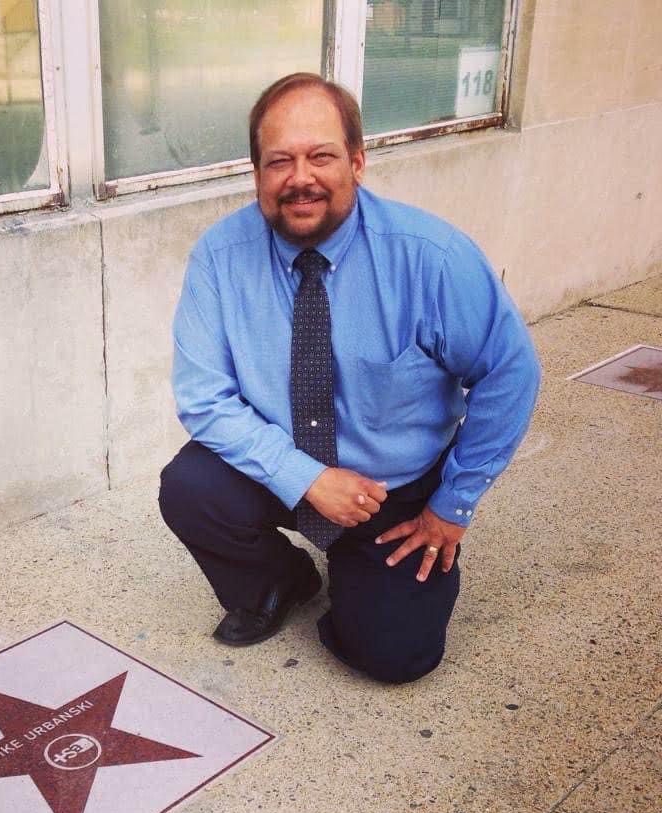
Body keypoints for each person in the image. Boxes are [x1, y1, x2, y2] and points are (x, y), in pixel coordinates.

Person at [158, 73, 541, 684]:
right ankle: (281, 582)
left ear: (358, 162)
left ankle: (365, 586)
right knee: (191, 486)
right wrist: (307, 478)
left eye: (322, 156)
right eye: (279, 160)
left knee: (395, 657)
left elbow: (509, 373)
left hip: (395, 491)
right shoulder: (220, 257)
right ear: (256, 173)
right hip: (284, 467)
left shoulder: (430, 257)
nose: (300, 177)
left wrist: (451, 507)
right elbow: (203, 398)